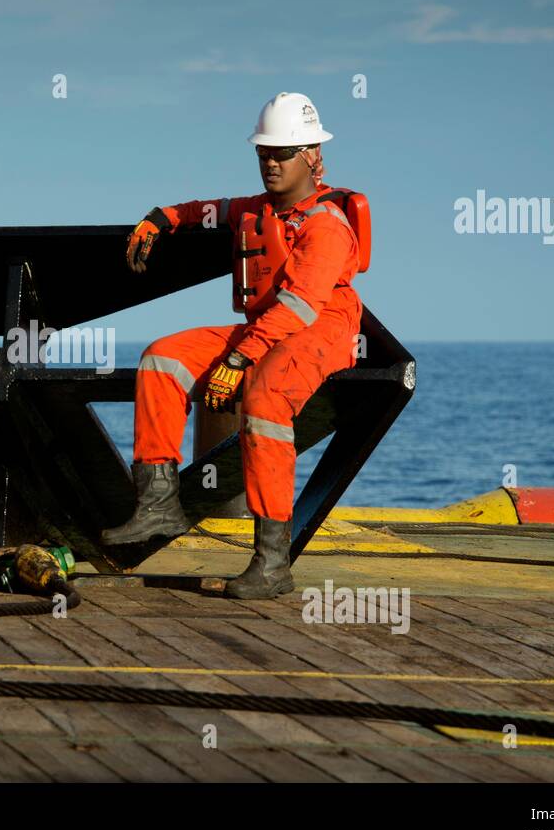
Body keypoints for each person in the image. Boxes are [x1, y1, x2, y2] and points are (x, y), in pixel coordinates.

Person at [101, 93, 365, 599]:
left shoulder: (327, 226)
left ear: (311, 156)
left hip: (322, 330)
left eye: (282, 153)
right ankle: (158, 507)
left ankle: (271, 564)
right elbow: (211, 209)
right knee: (162, 358)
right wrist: (162, 218)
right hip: (268, 327)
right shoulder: (258, 210)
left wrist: (237, 360)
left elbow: (302, 308)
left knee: (265, 403)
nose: (270, 162)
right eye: (264, 152)